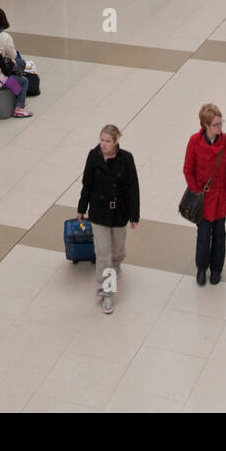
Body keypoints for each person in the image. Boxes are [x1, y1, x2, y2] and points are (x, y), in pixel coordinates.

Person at [77, 124, 140, 314]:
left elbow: (132, 188)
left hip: (119, 213)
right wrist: (82, 208)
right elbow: (86, 183)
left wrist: (134, 214)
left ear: (116, 141)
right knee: (103, 253)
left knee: (118, 251)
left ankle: (116, 266)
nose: (103, 145)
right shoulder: (93, 156)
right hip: (99, 212)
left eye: (107, 141)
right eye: (101, 140)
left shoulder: (126, 159)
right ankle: (106, 291)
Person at [183, 104, 226, 286]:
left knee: (220, 234)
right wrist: (196, 192)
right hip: (203, 197)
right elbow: (188, 169)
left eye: (220, 123)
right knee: (204, 234)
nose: (220, 127)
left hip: (221, 196)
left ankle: (216, 269)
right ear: (206, 125)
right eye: (216, 124)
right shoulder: (194, 142)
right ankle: (201, 268)